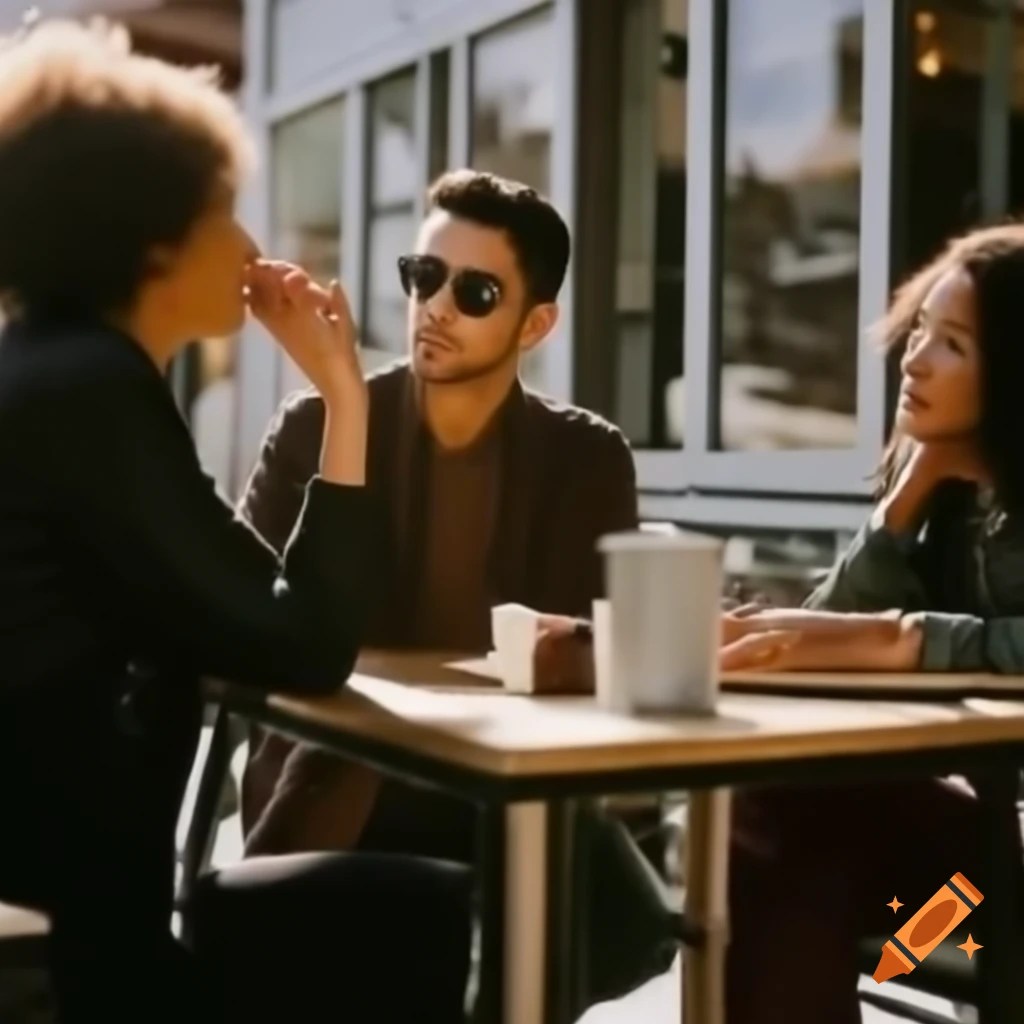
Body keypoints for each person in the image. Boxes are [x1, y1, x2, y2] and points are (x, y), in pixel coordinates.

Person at [0, 19, 468, 1023]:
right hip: (71, 963)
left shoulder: (46, 372)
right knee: (450, 915)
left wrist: (341, 397)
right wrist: (346, 400)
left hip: (62, 914)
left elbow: (257, 602)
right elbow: (308, 641)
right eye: (223, 211)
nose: (253, 246)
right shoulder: (88, 396)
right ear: (151, 240)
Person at [237, 170, 677, 1006]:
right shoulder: (317, 422)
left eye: (474, 292)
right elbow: (244, 623)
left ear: (535, 324)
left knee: (633, 923)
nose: (435, 308)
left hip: (514, 797)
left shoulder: (586, 458)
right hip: (347, 790)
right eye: (423, 276)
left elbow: (599, 651)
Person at [712, 223, 1024, 1022]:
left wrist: (909, 638)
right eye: (920, 331)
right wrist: (900, 508)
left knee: (802, 867)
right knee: (778, 836)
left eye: (953, 344)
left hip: (1000, 888)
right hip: (972, 885)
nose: (914, 360)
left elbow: (888, 641)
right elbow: (825, 640)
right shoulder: (961, 506)